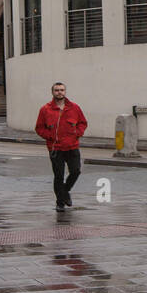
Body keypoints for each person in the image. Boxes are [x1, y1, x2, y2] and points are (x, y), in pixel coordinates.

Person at [35, 81, 88, 211]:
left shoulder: (74, 107)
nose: (60, 92)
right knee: (58, 176)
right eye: (57, 90)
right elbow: (39, 128)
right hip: (56, 148)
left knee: (76, 171)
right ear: (52, 92)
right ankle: (60, 203)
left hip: (72, 146)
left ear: (65, 92)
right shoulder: (45, 109)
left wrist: (77, 133)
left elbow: (82, 123)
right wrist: (50, 136)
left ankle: (65, 191)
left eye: (62, 90)